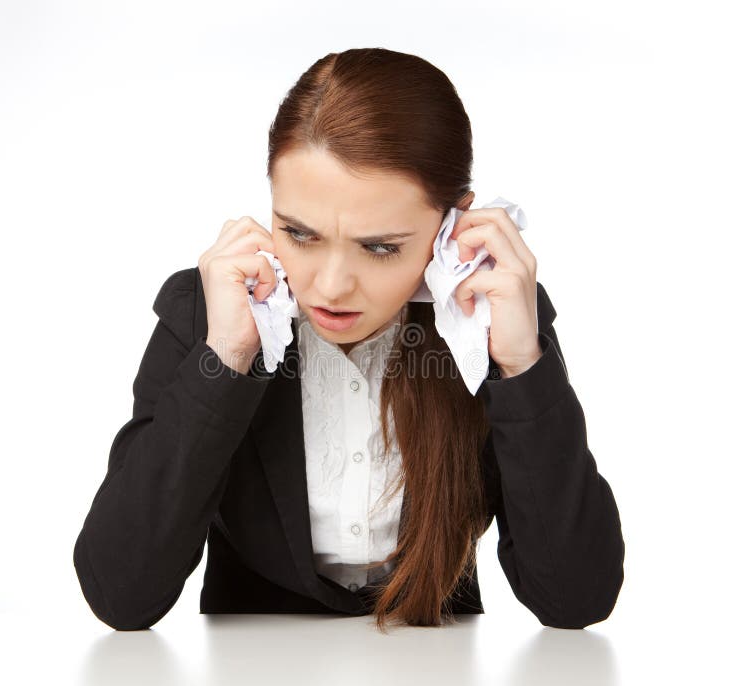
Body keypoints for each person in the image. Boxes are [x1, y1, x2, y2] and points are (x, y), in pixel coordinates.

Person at [73, 47, 624, 633]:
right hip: (248, 674)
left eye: (380, 247)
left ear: (452, 227)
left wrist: (520, 364)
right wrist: (227, 358)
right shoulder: (207, 314)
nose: (330, 287)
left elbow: (575, 600)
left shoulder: (492, 317)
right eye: (299, 234)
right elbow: (121, 595)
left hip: (437, 673)